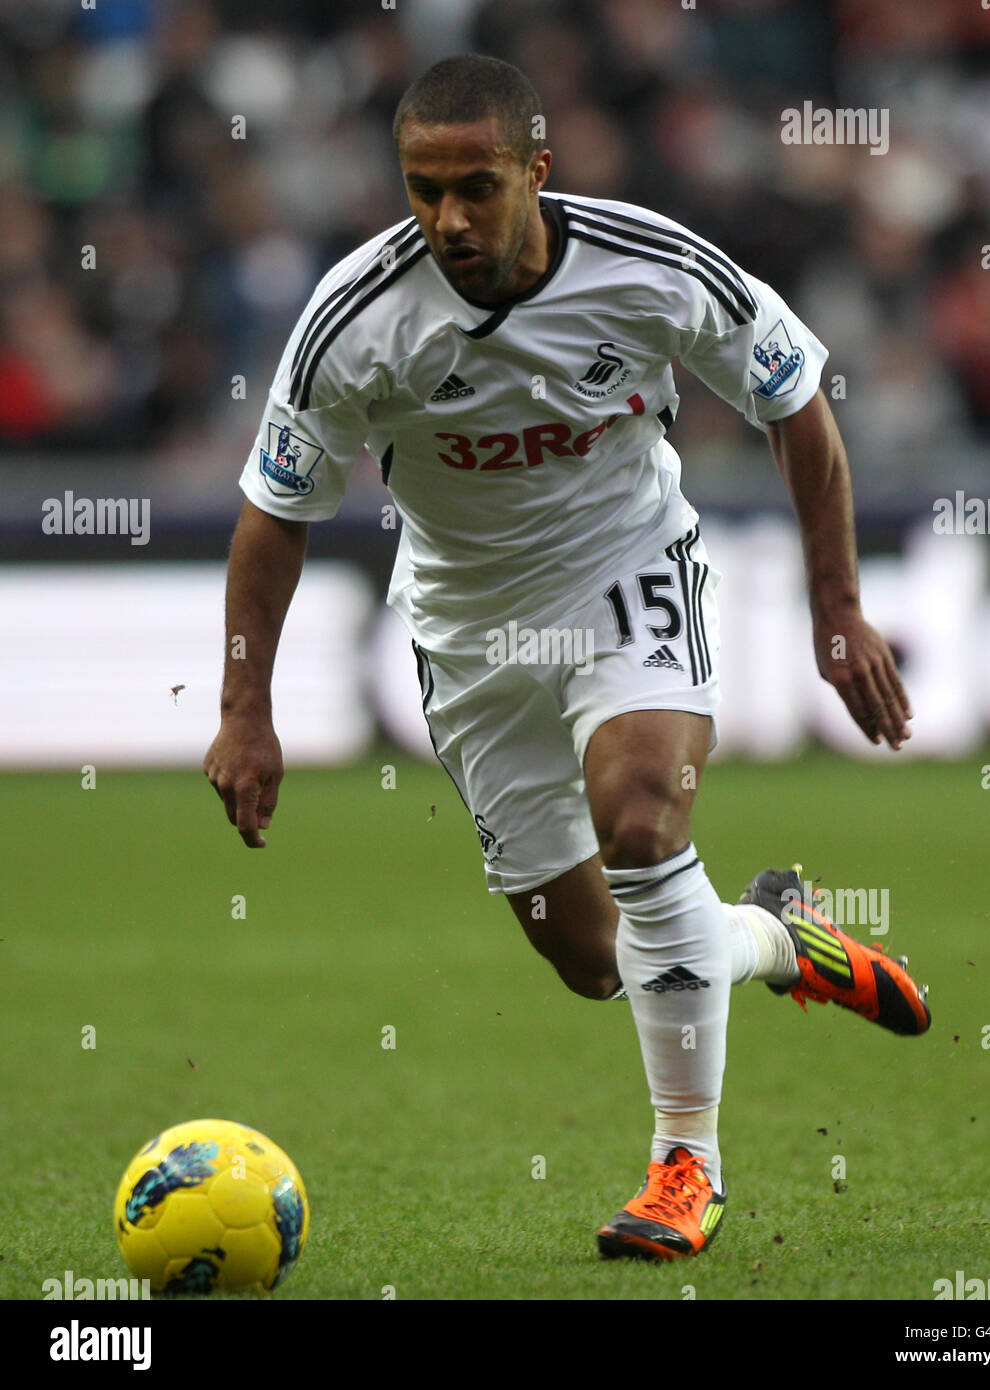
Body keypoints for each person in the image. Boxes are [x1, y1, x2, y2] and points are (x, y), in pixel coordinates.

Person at [204, 54, 930, 1263]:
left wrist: (838, 606)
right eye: (423, 189)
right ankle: (775, 938)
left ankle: (683, 1166)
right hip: (470, 634)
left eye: (476, 187)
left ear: (537, 170)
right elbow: (274, 516)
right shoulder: (353, 322)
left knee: (642, 821)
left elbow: (795, 396)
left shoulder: (651, 266)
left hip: (625, 572)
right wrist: (244, 710)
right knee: (598, 959)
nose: (449, 219)